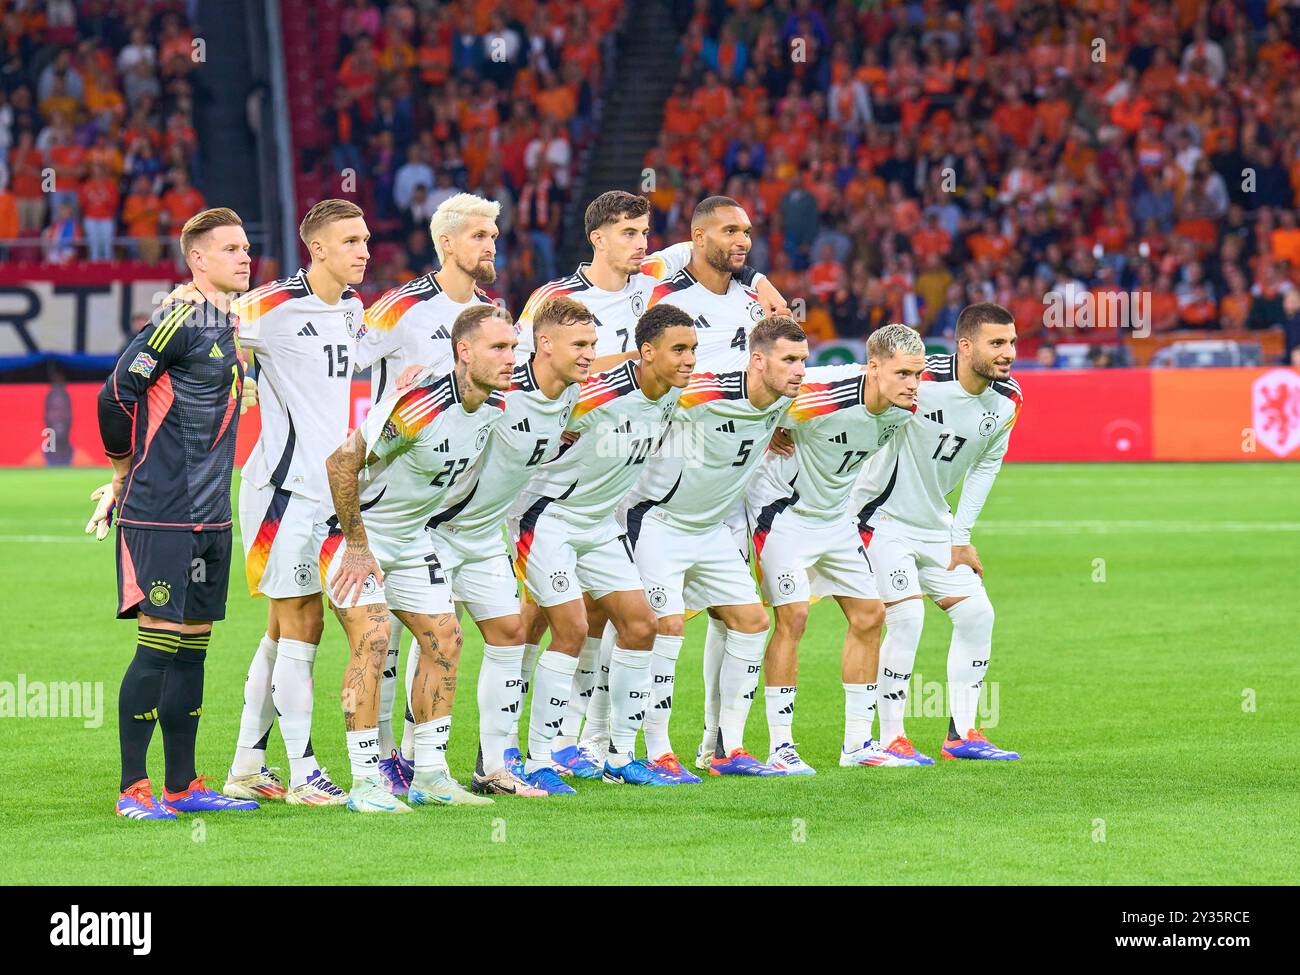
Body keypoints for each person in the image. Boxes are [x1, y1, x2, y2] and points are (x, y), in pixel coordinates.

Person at [89, 207, 259, 819]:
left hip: (210, 515)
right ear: (198, 259)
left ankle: (183, 785)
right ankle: (132, 789)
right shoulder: (180, 318)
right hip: (160, 513)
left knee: (193, 648)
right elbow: (116, 392)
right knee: (156, 647)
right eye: (232, 249)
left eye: (246, 247)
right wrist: (119, 470)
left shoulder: (229, 322)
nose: (245, 256)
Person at [319, 304, 516, 811]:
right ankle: (364, 783)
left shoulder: (497, 403)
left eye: (513, 347)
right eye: (499, 348)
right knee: (375, 639)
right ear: (464, 352)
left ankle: (429, 774)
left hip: (411, 538)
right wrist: (359, 546)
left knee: (446, 640)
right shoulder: (420, 406)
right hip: (352, 534)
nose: (510, 357)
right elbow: (340, 463)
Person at [507, 303, 697, 788]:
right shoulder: (593, 394)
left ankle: (617, 755)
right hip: (546, 516)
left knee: (640, 624)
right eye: (680, 351)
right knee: (566, 629)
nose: (690, 361)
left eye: (692, 350)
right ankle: (535, 759)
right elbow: (532, 399)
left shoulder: (673, 392)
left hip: (597, 524)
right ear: (648, 354)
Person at [222, 200, 370, 806]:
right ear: (318, 249)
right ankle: (304, 770)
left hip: (328, 493)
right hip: (280, 494)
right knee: (301, 622)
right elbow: (215, 317)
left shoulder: (354, 309)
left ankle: (246, 766)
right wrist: (238, 366)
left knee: (285, 631)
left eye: (365, 239)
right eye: (351, 240)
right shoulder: (273, 303)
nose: (363, 249)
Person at [622, 314, 808, 779]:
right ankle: (656, 750)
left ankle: (728, 750)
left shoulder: (788, 401)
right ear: (758, 361)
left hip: (710, 531)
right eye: (789, 360)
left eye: (803, 360)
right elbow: (638, 393)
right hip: (657, 521)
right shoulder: (703, 390)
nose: (800, 370)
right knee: (664, 628)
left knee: (751, 620)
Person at [748, 324, 926, 773]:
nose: (912, 384)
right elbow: (757, 394)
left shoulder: (905, 408)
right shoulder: (820, 395)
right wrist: (770, 424)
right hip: (784, 512)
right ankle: (781, 747)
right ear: (873, 367)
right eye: (903, 373)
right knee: (794, 616)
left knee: (871, 615)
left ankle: (857, 744)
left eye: (918, 374)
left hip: (836, 520)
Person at [853, 302, 1023, 763]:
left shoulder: (1008, 401)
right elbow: (864, 379)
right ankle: (891, 737)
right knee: (906, 621)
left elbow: (987, 466)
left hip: (935, 526)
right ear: (966, 347)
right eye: (997, 343)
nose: (1008, 352)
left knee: (977, 615)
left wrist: (960, 535)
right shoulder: (920, 378)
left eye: (1011, 342)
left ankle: (962, 734)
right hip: (881, 518)